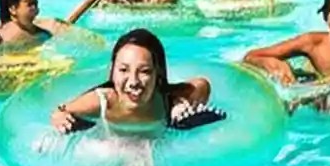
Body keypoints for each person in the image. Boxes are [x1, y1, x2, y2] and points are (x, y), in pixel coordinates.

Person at [49, 28, 218, 134]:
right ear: (112, 71)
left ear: (157, 74)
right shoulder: (104, 101)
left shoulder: (165, 99)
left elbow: (202, 85)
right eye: (123, 70)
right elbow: (61, 110)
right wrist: (59, 116)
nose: (133, 82)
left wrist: (178, 103)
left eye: (144, 71)